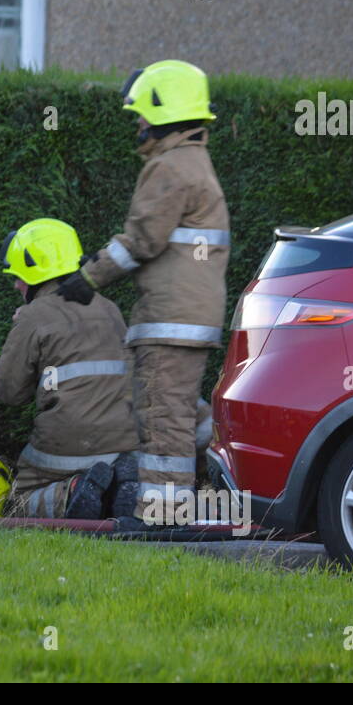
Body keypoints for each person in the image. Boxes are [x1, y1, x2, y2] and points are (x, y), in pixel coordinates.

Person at [56, 61, 230, 523]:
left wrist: (87, 278)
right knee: (164, 404)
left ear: (163, 111)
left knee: (162, 418)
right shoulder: (191, 161)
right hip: (183, 316)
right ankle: (226, 446)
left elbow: (142, 241)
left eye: (143, 114)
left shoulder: (170, 166)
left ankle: (163, 517)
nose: (138, 123)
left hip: (172, 319)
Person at [0, 219, 141, 520]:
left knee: (18, 502)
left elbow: (8, 391)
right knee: (107, 476)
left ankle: (72, 490)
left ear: (34, 274)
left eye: (18, 276)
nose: (15, 284)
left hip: (68, 442)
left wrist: (23, 328)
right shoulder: (109, 308)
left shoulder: (34, 315)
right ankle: (120, 489)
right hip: (126, 441)